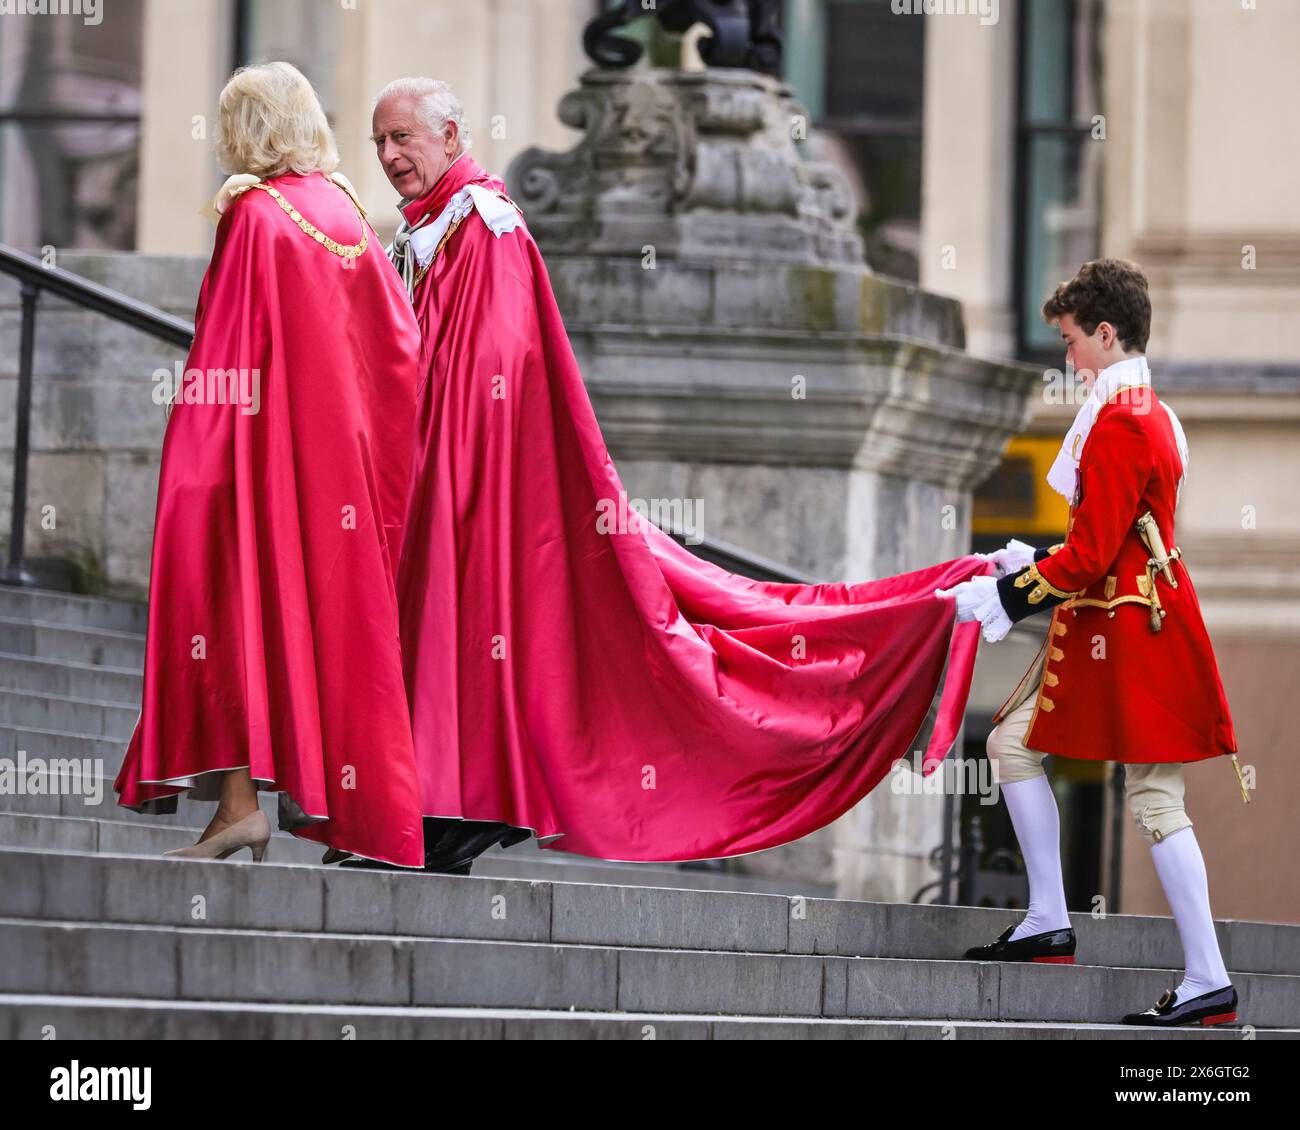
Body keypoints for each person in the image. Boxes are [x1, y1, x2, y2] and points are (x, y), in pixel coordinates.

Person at [353, 76, 993, 876]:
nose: (388, 156)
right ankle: (449, 813)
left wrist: (444, 472)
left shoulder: (486, 225)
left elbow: (495, 369)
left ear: (450, 139)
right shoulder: (437, 233)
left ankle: (463, 812)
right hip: (458, 485)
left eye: (403, 138)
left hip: (484, 491)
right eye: (379, 141)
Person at [113, 62, 426, 869]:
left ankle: (242, 806)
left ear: (245, 129)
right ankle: (251, 809)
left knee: (224, 617)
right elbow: (400, 353)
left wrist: (193, 470)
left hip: (255, 467)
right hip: (337, 481)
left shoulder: (256, 214)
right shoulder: (351, 211)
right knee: (302, 633)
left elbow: (221, 357)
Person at [938, 258, 1244, 1027]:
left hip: (1131, 630)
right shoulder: (1151, 414)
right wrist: (1031, 562)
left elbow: (1096, 553)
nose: (1067, 358)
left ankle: (1206, 975)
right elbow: (1106, 544)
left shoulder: (1123, 420)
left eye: (1073, 341)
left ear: (1107, 335)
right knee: (1010, 744)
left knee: (1152, 796)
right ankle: (1049, 919)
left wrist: (1008, 593)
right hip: (1129, 622)